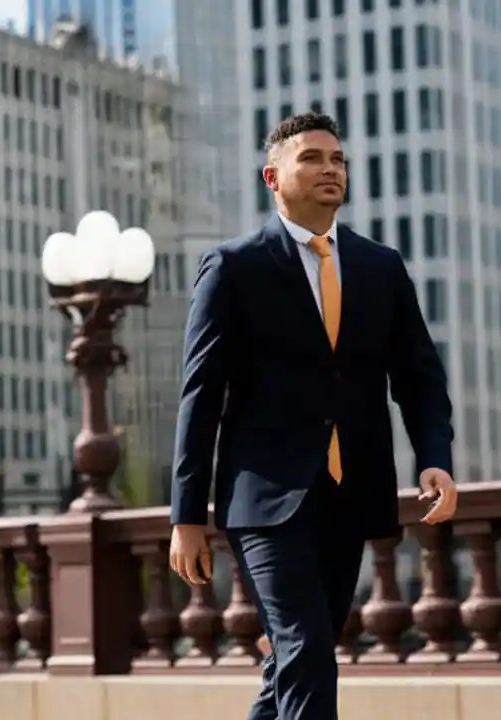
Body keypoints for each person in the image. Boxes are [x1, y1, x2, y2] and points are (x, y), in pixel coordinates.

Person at [168, 112, 459, 719]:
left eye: (337, 159)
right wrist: (186, 515)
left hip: (349, 492)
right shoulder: (233, 267)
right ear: (272, 176)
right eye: (312, 158)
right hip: (265, 497)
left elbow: (419, 377)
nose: (330, 168)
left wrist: (434, 457)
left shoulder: (381, 267)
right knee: (305, 645)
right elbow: (202, 394)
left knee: (300, 657)